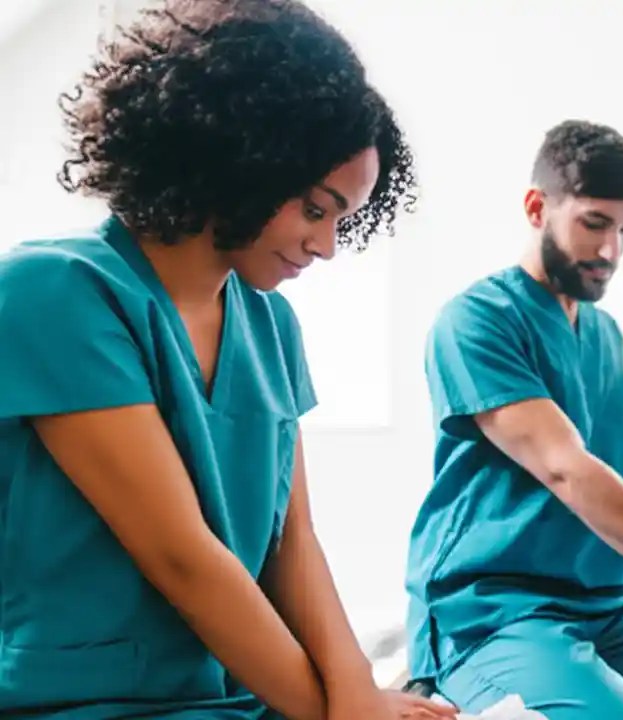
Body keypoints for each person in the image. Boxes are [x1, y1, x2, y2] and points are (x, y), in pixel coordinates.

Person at [0, 1, 453, 718]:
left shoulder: (270, 325)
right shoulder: (51, 293)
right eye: (314, 208)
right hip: (86, 704)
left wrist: (359, 692)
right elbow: (182, 555)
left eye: (344, 218)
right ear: (241, 158)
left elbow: (292, 542)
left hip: (237, 697)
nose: (328, 245)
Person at [404, 120, 623, 719]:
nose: (611, 251)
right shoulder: (478, 320)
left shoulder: (604, 333)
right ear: (536, 207)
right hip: (494, 609)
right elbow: (566, 468)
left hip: (608, 604)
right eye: (594, 224)